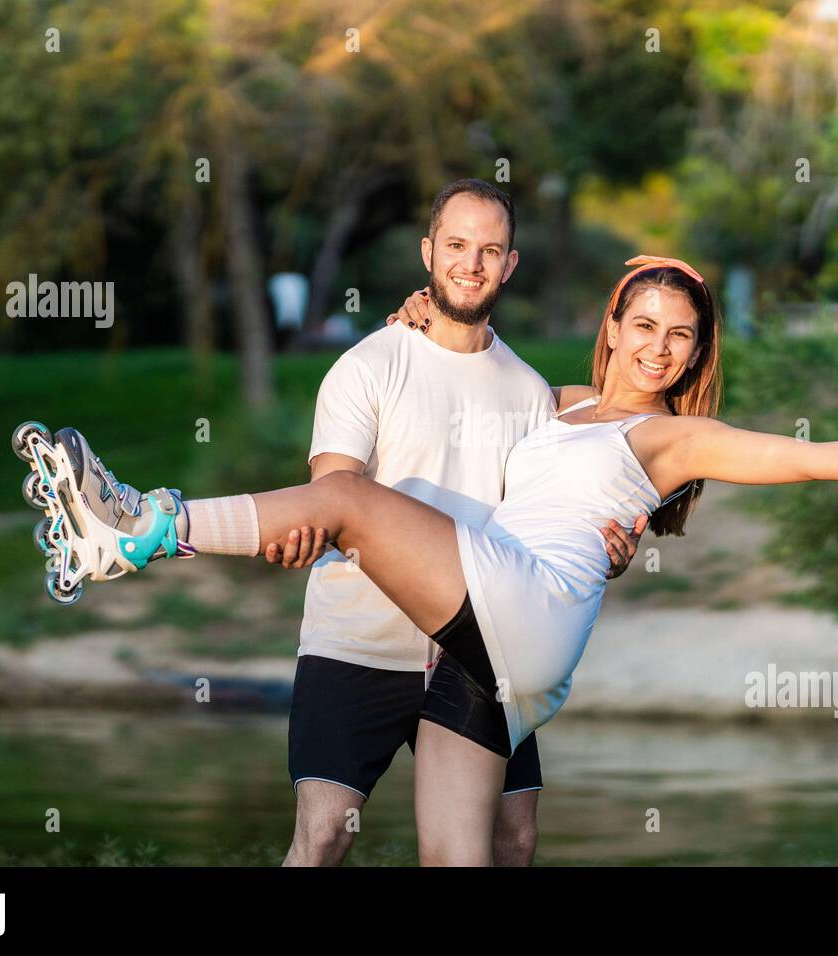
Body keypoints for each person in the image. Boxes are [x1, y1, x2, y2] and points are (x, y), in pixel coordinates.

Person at [13, 254, 838, 866]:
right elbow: (473, 376)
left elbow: (803, 458)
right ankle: (129, 529)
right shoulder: (555, 402)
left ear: (696, 353)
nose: (660, 348)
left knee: (350, 503)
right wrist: (421, 318)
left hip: (528, 608)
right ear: (611, 327)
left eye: (681, 336)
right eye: (644, 325)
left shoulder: (675, 437)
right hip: (499, 657)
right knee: (462, 857)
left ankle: (139, 529)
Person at [267, 180, 644, 866]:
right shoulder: (368, 364)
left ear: (510, 264)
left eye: (489, 250)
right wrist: (304, 530)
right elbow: (332, 491)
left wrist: (603, 550)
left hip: (479, 652)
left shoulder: (529, 392)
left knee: (513, 839)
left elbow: (550, 507)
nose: (471, 264)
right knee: (323, 835)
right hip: (358, 644)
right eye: (457, 245)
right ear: (428, 252)